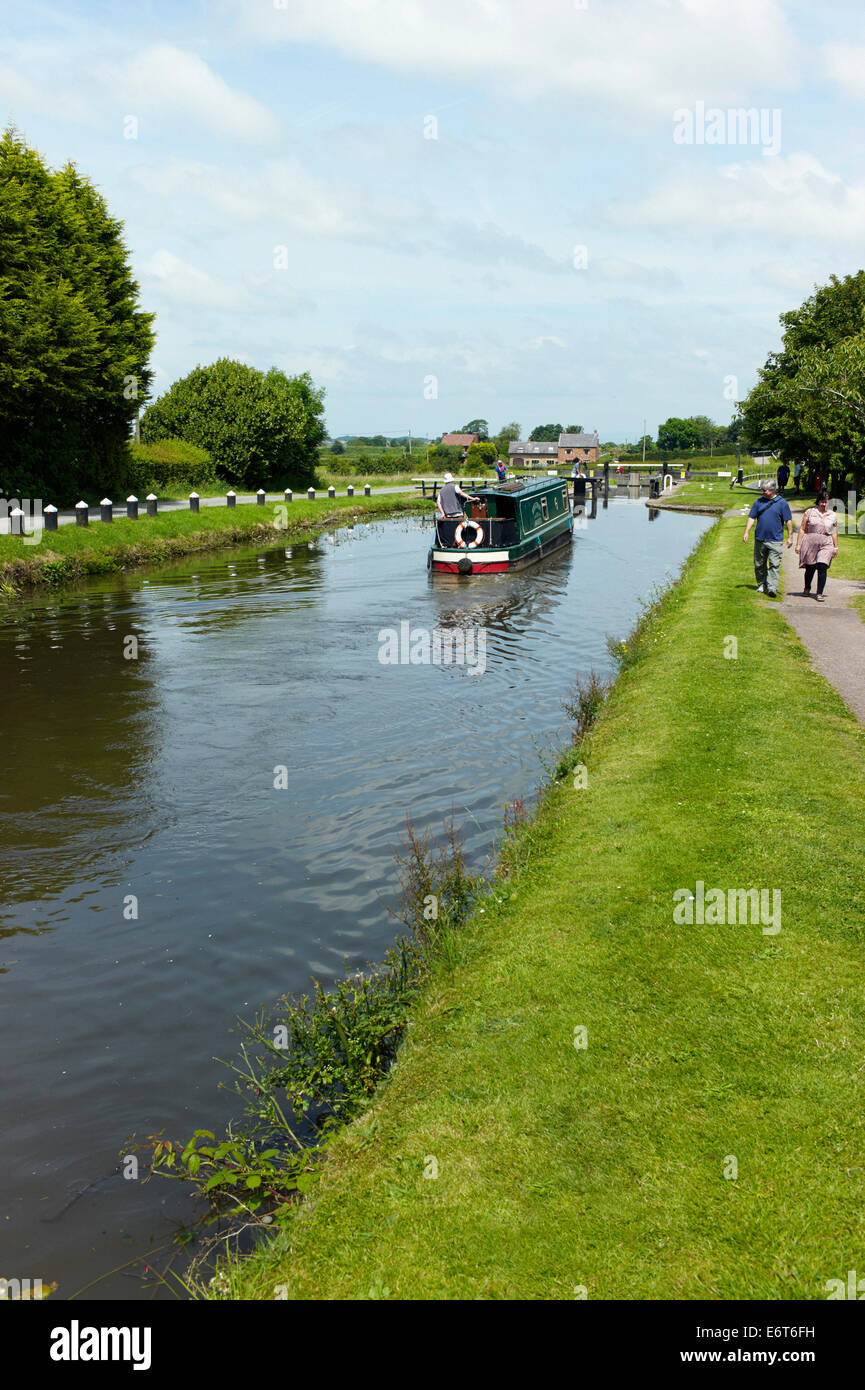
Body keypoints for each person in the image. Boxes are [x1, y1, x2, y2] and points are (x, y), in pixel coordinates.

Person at [743, 480, 793, 596]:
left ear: (772, 490)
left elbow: (788, 521)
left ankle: (772, 588)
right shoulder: (758, 502)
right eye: (762, 490)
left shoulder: (782, 503)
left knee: (774, 564)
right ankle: (762, 584)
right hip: (760, 538)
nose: (762, 492)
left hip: (775, 540)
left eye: (764, 490)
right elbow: (751, 517)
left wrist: (790, 537)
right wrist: (746, 532)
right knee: (759, 564)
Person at [795, 488, 838, 602]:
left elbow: (834, 531)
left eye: (826, 502)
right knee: (810, 568)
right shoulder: (810, 512)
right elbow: (802, 528)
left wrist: (835, 547)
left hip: (826, 542)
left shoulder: (832, 515)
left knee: (822, 566)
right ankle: (807, 587)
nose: (824, 504)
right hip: (810, 541)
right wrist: (798, 544)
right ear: (818, 501)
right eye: (822, 501)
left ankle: (819, 593)